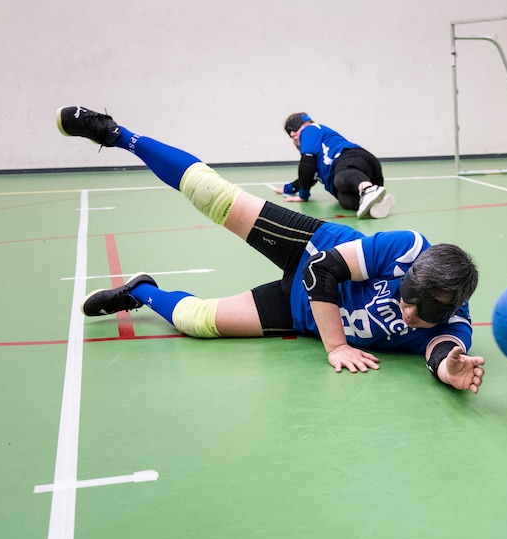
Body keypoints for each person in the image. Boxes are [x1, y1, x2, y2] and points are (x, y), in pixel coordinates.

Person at [57, 105, 484, 393]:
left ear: (450, 308)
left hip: (300, 312)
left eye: (424, 313)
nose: (410, 315)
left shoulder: (453, 324)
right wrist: (336, 348)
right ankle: (117, 134)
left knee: (196, 321)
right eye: (409, 300)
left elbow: (442, 353)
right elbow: (323, 272)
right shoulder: (407, 248)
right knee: (213, 195)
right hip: (308, 250)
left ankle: (141, 292)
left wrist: (452, 371)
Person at [279, 112, 395, 219]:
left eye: (294, 128)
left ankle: (368, 189)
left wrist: (303, 195)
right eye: (289, 133)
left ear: (306, 122)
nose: (292, 134)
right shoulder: (318, 157)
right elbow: (308, 176)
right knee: (344, 199)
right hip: (358, 177)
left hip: (352, 158)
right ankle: (378, 203)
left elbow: (306, 164)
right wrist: (288, 188)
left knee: (340, 178)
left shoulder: (311, 129)